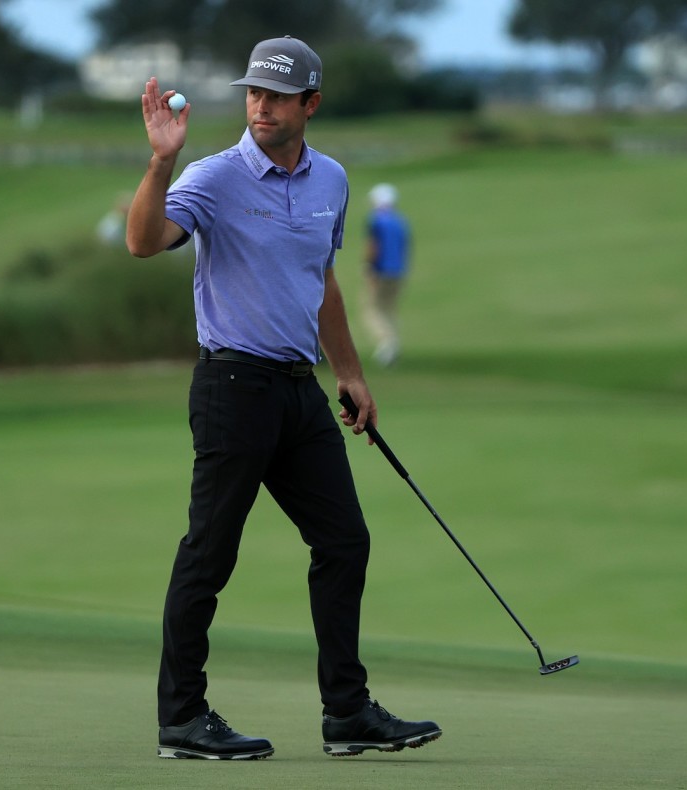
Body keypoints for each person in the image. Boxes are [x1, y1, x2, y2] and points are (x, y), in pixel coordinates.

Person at [124, 36, 441, 761]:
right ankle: (181, 718)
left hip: (300, 393)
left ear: (311, 103)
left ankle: (347, 712)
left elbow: (321, 280)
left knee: (344, 541)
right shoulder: (214, 177)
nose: (260, 106)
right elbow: (144, 242)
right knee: (210, 552)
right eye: (253, 94)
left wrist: (351, 373)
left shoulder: (331, 179)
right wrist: (161, 160)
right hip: (232, 388)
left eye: (275, 96)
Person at [362, 183, 411, 367]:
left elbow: (373, 245)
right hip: (398, 272)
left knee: (373, 310)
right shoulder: (401, 221)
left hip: (380, 270)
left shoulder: (376, 220)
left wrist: (368, 266)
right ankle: (393, 344)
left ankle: (387, 344)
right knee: (390, 309)